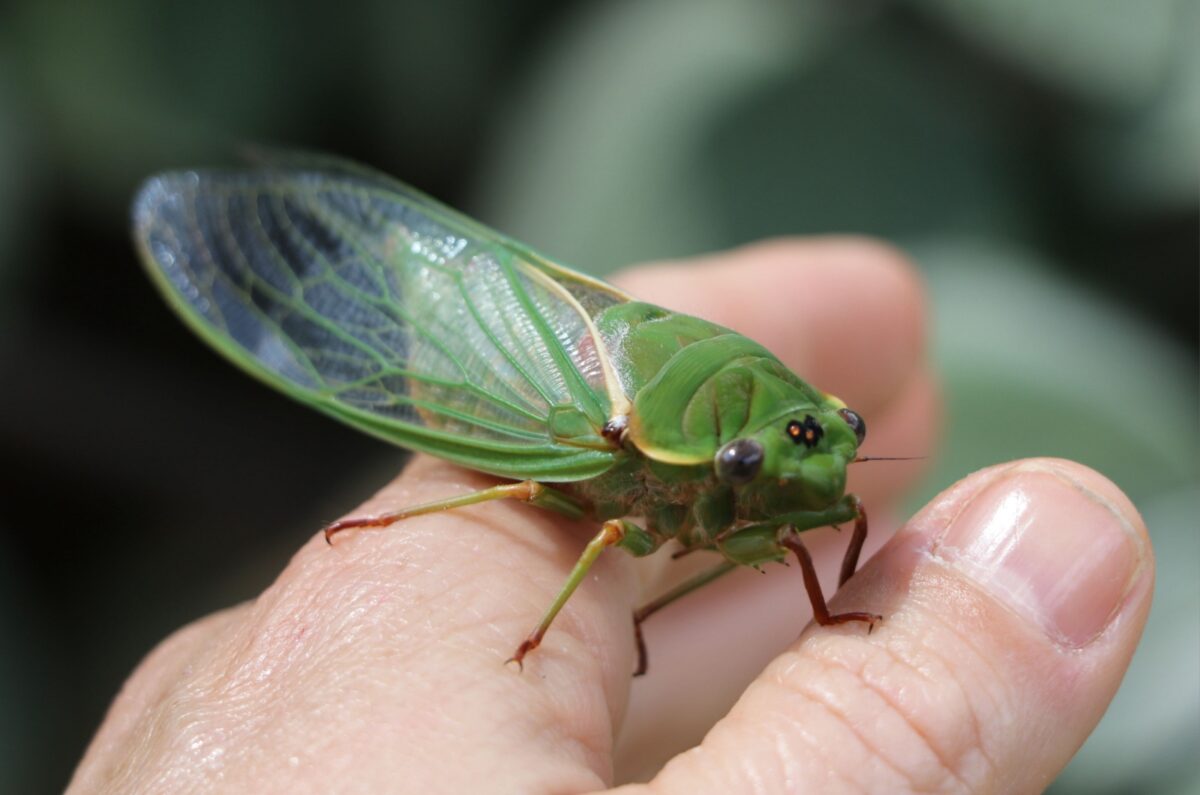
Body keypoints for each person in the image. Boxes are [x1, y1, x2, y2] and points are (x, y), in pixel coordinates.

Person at [68, 239, 1152, 794]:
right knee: (569, 517)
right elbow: (587, 522)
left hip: (660, 408)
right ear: (709, 456)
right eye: (751, 461)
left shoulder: (779, 470)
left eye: (837, 432)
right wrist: (523, 618)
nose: (819, 485)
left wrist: (828, 601)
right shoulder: (631, 469)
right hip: (545, 389)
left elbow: (819, 511)